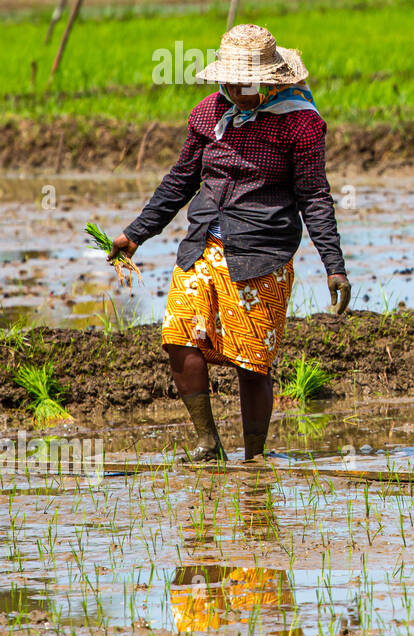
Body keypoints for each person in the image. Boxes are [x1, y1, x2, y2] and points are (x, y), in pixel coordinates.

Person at [109, 24, 351, 463]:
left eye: (248, 81)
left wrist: (334, 263)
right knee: (179, 337)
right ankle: (208, 444)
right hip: (203, 244)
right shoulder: (208, 113)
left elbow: (313, 195)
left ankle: (254, 456)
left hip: (262, 251)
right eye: (230, 80)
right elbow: (181, 179)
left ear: (271, 79)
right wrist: (136, 233)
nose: (238, 89)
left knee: (251, 360)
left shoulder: (299, 123)